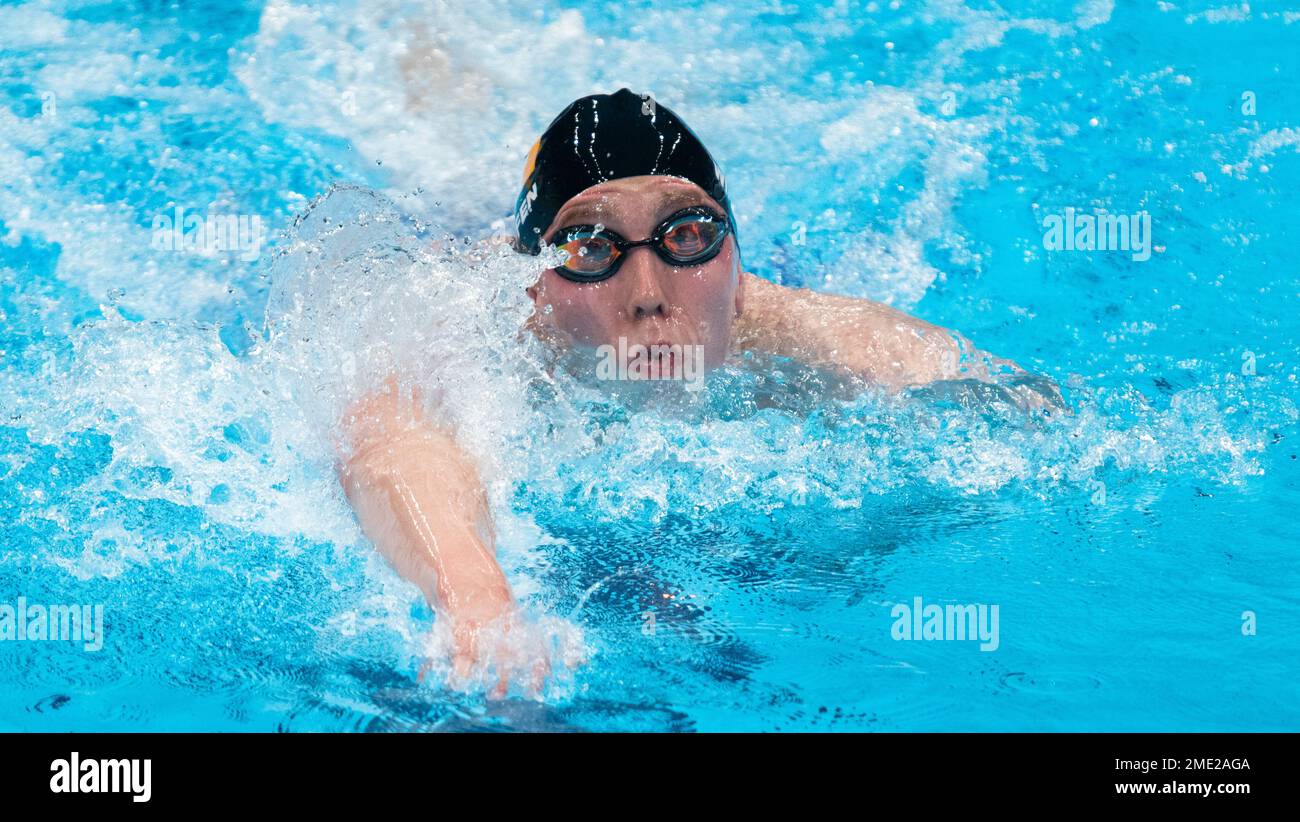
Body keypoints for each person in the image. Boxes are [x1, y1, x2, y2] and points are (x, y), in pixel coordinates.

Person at [335, 89, 1058, 699]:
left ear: (740, 273)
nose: (649, 295)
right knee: (433, 137)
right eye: (590, 248)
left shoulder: (801, 331)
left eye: (686, 235)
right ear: (532, 294)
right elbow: (389, 441)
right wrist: (473, 591)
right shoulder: (471, 335)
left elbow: (1029, 405)